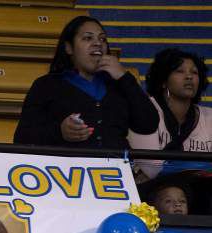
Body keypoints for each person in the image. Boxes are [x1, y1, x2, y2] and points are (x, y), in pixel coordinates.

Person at [13, 16, 158, 149]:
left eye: (102, 39)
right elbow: (22, 138)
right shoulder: (46, 85)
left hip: (116, 173)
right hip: (67, 173)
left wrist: (124, 77)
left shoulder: (119, 84)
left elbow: (148, 125)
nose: (97, 43)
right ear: (69, 48)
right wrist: (59, 132)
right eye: (88, 38)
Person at [129, 49, 211, 180]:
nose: (189, 76)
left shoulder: (209, 117)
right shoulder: (144, 110)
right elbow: (151, 170)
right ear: (163, 80)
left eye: (194, 72)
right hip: (155, 190)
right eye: (180, 71)